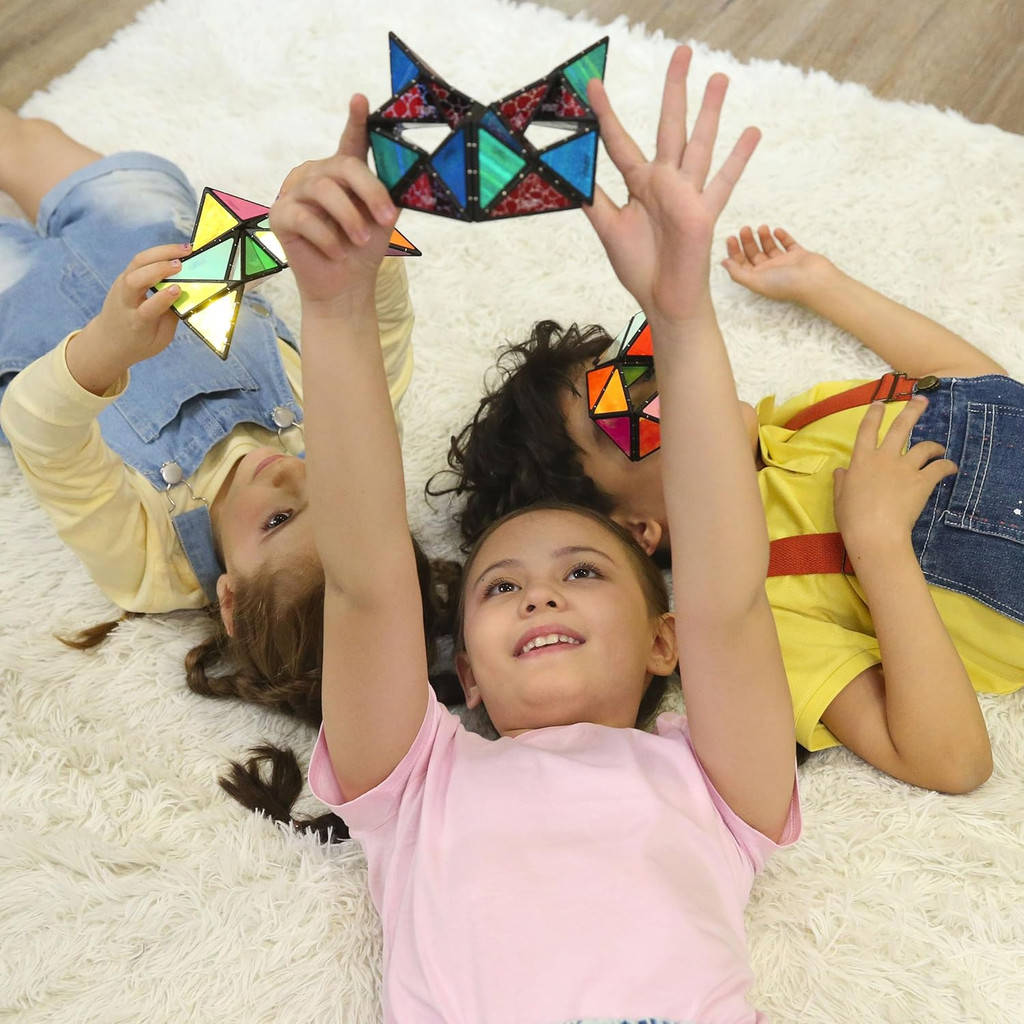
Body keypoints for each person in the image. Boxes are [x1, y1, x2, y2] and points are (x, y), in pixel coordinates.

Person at [276, 46, 799, 1023]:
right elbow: (368, 582)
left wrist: (679, 315)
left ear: (660, 641)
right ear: (465, 675)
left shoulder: (716, 781)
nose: (537, 593)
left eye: (583, 570)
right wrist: (335, 310)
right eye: (498, 588)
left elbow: (728, 599)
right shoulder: (417, 779)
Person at [434, 214, 1023, 797]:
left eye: (639, 366)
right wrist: (880, 549)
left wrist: (824, 284)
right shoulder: (755, 608)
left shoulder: (803, 418)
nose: (670, 384)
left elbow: (974, 386)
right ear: (637, 528)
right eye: (626, 411)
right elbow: (950, 762)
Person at [0, 101, 413, 719]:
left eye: (277, 520)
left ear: (228, 598)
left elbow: (38, 432)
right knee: (25, 141)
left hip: (17, 318)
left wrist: (107, 349)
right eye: (327, 485)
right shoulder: (360, 443)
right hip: (149, 241)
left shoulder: (152, 564)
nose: (288, 473)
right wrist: (349, 231)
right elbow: (374, 324)